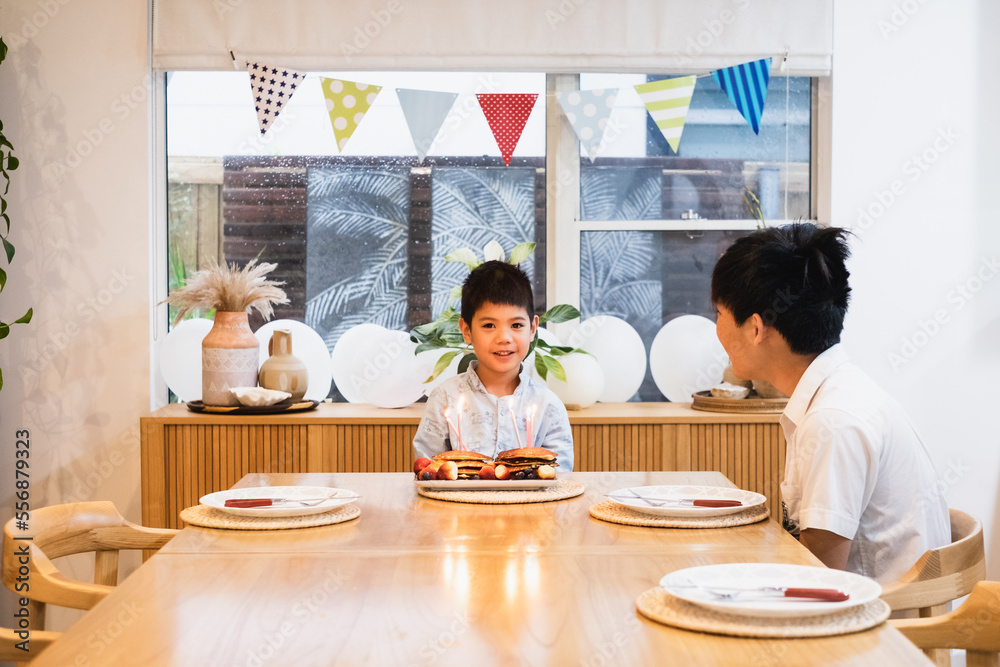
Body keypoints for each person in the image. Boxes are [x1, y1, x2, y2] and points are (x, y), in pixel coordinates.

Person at [710, 223, 949, 584]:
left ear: (756, 329)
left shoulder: (833, 420)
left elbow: (818, 579)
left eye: (719, 314)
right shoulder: (839, 393)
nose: (716, 329)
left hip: (876, 629)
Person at [413, 260, 574, 470]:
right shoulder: (444, 398)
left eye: (516, 325)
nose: (504, 338)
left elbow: (559, 478)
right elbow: (427, 471)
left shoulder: (548, 406)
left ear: (533, 328)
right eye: (489, 325)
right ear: (467, 330)